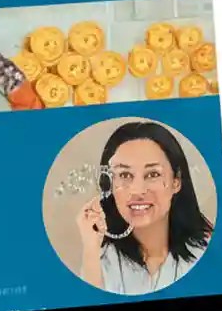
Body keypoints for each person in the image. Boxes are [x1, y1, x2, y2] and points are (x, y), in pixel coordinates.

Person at [76, 121, 213, 295]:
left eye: (153, 174)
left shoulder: (207, 253)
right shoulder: (98, 261)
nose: (138, 191)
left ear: (176, 181)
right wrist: (90, 249)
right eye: (125, 175)